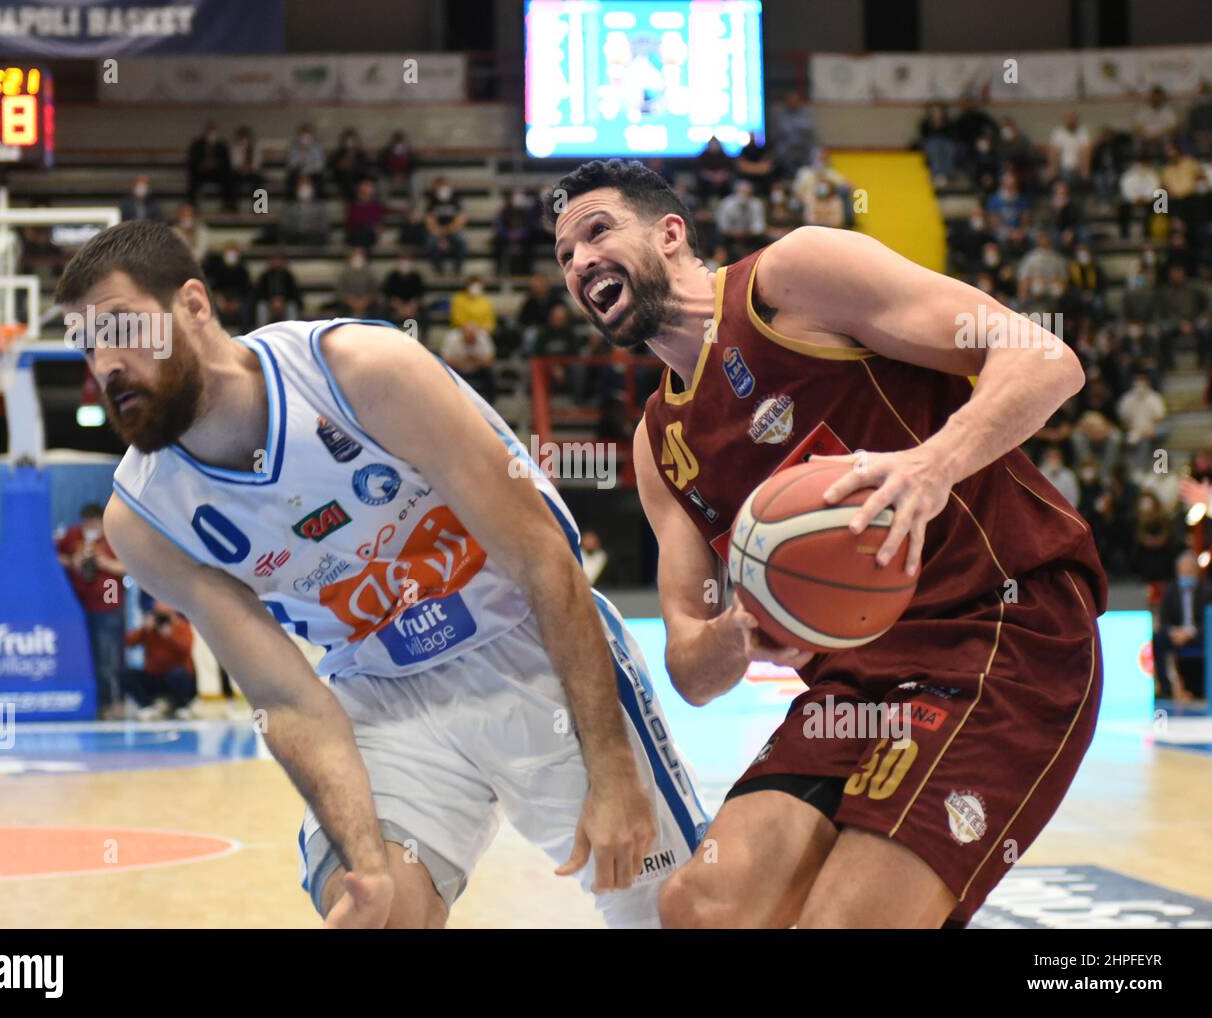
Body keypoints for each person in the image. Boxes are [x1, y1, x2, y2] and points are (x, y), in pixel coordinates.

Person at [54, 218, 705, 928]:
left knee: (680, 914)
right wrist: (364, 864)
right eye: (87, 345)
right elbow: (288, 697)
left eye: (121, 329)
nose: (107, 363)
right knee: (375, 914)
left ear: (194, 306)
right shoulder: (142, 521)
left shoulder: (361, 370)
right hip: (378, 689)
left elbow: (543, 556)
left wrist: (611, 769)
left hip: (530, 646)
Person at [549, 158, 1106, 929]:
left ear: (671, 233)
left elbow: (1047, 359)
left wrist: (931, 465)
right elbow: (691, 668)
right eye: (564, 255)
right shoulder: (657, 443)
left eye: (597, 232)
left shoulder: (791, 278)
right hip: (853, 685)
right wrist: (742, 627)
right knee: (700, 907)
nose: (579, 262)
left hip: (1002, 632)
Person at [56, 503, 128, 718]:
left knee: (110, 660)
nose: (90, 527)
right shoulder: (72, 537)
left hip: (109, 608)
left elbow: (129, 567)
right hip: (79, 609)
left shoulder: (116, 537)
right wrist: (72, 561)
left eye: (94, 523)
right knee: (86, 660)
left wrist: (104, 563)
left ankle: (113, 702)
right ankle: (93, 703)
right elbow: (50, 556)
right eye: (86, 523)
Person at [124, 601, 197, 720]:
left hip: (175, 678)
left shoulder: (182, 626)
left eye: (165, 615)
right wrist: (143, 628)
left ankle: (181, 705)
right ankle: (147, 706)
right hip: (154, 676)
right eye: (159, 615)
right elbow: (129, 642)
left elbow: (187, 649)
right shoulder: (149, 629)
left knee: (179, 674)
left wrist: (170, 635)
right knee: (127, 674)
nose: (161, 620)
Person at [1154, 551, 1207, 701]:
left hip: (1199, 635)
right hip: (1176, 635)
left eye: (1189, 572)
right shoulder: (1170, 591)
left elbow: (1208, 621)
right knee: (1158, 638)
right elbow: (1164, 621)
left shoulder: (1206, 591)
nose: (1186, 575)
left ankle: (1205, 688)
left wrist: (1190, 632)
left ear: (1196, 572)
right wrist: (1173, 632)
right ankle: (1167, 689)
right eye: (1182, 572)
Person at [440, 321, 497, 404]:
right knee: (446, 373)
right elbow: (445, 358)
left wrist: (476, 360)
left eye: (472, 338)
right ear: (462, 334)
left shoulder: (483, 336)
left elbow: (490, 359)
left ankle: (491, 402)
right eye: (468, 338)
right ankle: (450, 401)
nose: (470, 340)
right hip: (458, 369)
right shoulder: (452, 337)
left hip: (477, 368)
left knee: (490, 374)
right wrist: (462, 361)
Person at [424, 177, 467, 277]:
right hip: (436, 230)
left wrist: (448, 230)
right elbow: (429, 220)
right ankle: (439, 269)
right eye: (440, 186)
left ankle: (457, 269)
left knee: (461, 242)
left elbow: (461, 219)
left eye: (444, 186)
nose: (442, 188)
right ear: (435, 188)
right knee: (430, 243)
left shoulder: (455, 199)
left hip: (453, 229)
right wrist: (439, 232)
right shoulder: (432, 200)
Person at [186, 122, 234, 211]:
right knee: (192, 178)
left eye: (213, 130)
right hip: (202, 172)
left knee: (229, 178)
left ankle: (227, 205)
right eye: (209, 130)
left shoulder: (222, 145)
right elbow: (193, 159)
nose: (211, 132)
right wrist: (203, 164)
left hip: (217, 172)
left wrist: (216, 164)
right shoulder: (197, 144)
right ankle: (192, 205)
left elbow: (226, 162)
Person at [280, 176, 332, 246]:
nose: (304, 188)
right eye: (301, 184)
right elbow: (285, 225)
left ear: (313, 187)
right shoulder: (289, 207)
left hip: (315, 241)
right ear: (296, 188)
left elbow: (324, 225)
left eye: (307, 184)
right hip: (295, 240)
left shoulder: (321, 207)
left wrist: (310, 230)